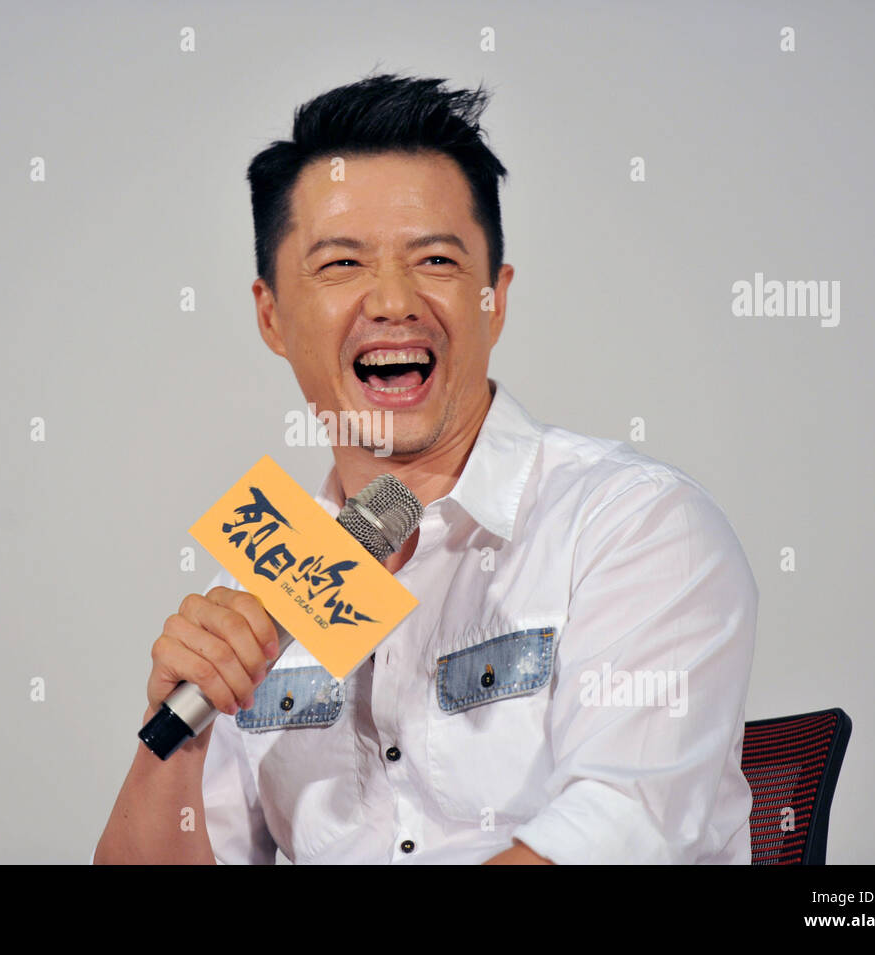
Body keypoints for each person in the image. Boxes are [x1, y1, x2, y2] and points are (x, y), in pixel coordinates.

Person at [94, 73, 758, 864]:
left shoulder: (633, 526)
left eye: (435, 259)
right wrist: (175, 736)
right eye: (341, 264)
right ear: (271, 314)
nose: (394, 300)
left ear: (494, 300)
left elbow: (621, 830)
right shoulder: (266, 588)